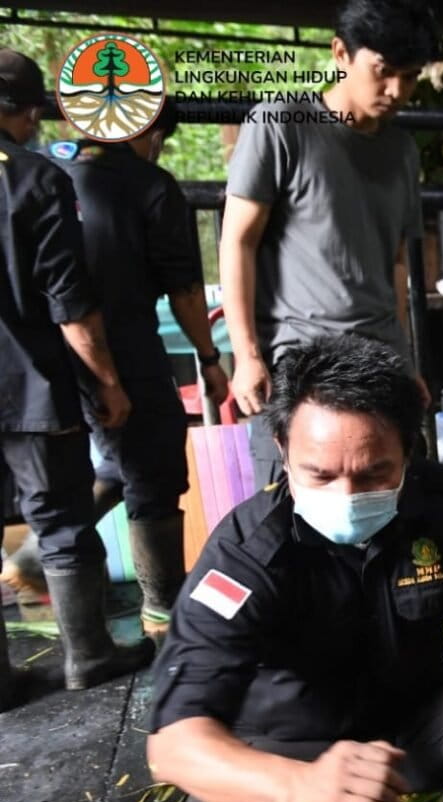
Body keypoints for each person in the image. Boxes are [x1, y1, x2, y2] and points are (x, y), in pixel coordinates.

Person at [144, 336, 443, 802]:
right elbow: (173, 747)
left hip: (407, 718)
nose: (347, 496)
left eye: (374, 474)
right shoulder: (245, 554)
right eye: (319, 474)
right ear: (282, 447)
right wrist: (299, 784)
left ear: (409, 449)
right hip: (282, 745)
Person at [221, 0, 443, 484]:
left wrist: (405, 360)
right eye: (383, 71)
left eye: (410, 77)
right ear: (341, 53)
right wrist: (247, 355)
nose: (396, 90)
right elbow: (237, 241)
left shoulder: (402, 150)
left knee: (400, 505)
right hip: (300, 364)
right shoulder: (281, 124)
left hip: (380, 363)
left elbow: (397, 262)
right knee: (291, 510)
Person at [0, 48, 156, 703]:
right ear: (28, 111)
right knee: (63, 522)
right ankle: (88, 657)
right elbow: (70, 303)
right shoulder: (36, 178)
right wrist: (107, 384)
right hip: (31, 389)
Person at [48, 99, 229, 639]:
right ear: (149, 131)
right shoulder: (149, 184)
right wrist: (210, 358)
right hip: (123, 344)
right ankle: (162, 610)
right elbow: (185, 288)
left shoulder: (42, 169)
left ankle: (38, 564)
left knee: (105, 463)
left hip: (43, 350)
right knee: (155, 467)